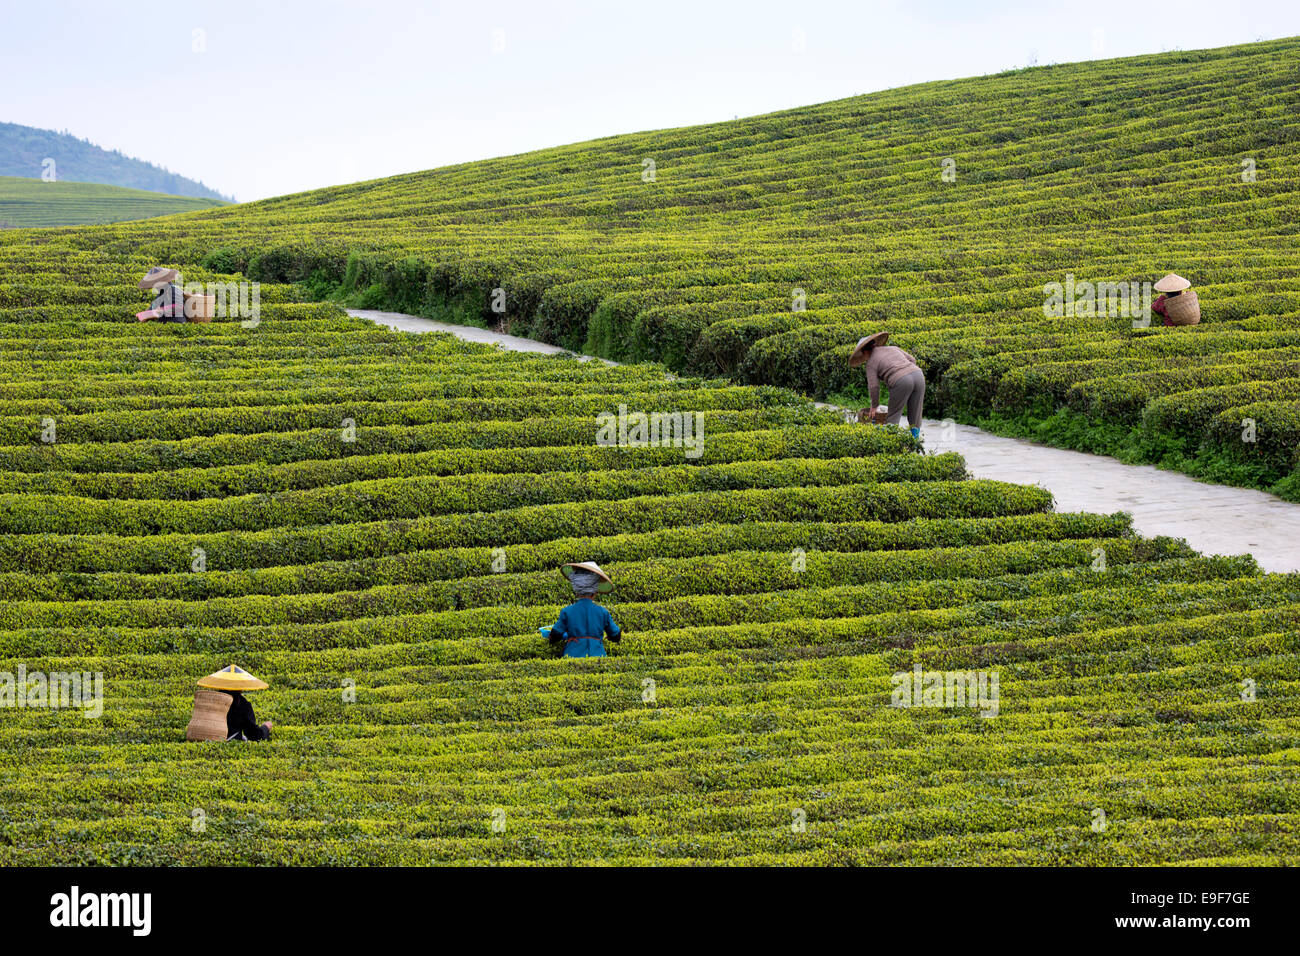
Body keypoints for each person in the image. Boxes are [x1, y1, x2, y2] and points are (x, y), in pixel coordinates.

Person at [848, 331, 925, 439]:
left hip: (901, 381)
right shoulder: (893, 348)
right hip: (918, 375)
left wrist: (874, 406)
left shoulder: (871, 363)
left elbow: (873, 386)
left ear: (865, 351)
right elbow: (913, 360)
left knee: (893, 415)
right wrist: (907, 371)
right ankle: (915, 442)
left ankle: (890, 443)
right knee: (915, 413)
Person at [546, 562, 622, 658]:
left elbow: (555, 635)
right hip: (598, 657)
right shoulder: (603, 612)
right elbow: (616, 635)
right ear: (595, 592)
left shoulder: (567, 611)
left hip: (572, 656)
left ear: (577, 592)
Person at [196, 665, 273, 741]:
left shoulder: (210, 700)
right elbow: (254, 735)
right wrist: (265, 727)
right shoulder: (242, 705)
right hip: (229, 742)